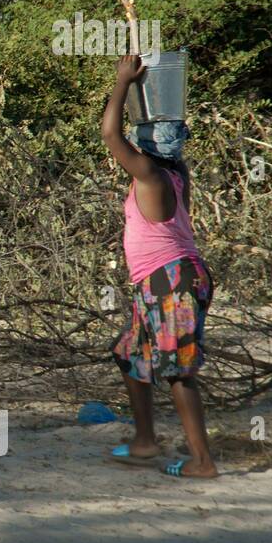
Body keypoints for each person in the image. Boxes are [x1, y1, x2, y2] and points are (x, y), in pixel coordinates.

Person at [101, 53, 217, 478]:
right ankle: (146, 441)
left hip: (170, 280)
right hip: (166, 279)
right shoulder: (175, 170)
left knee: (178, 371)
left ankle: (203, 462)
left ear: (146, 142)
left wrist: (122, 82)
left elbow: (110, 135)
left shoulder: (150, 174)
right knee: (129, 354)